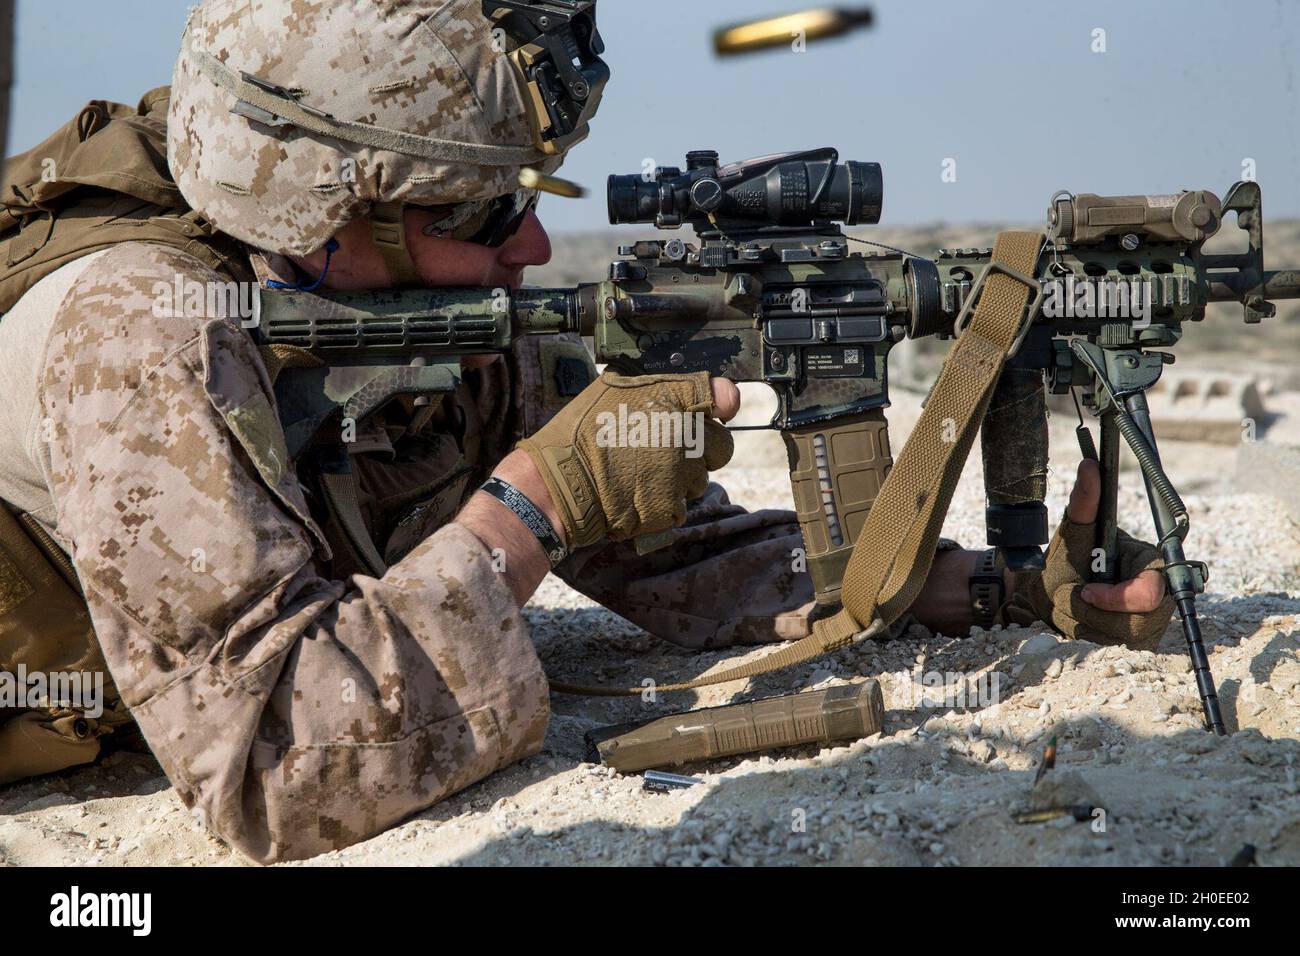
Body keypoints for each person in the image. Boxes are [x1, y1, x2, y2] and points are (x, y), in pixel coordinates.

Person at [0, 0, 1172, 862]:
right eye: (489, 208)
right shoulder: (144, 329)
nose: (531, 248)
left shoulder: (406, 297)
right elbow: (279, 770)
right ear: (319, 211)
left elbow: (673, 552)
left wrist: (997, 586)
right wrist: (530, 509)